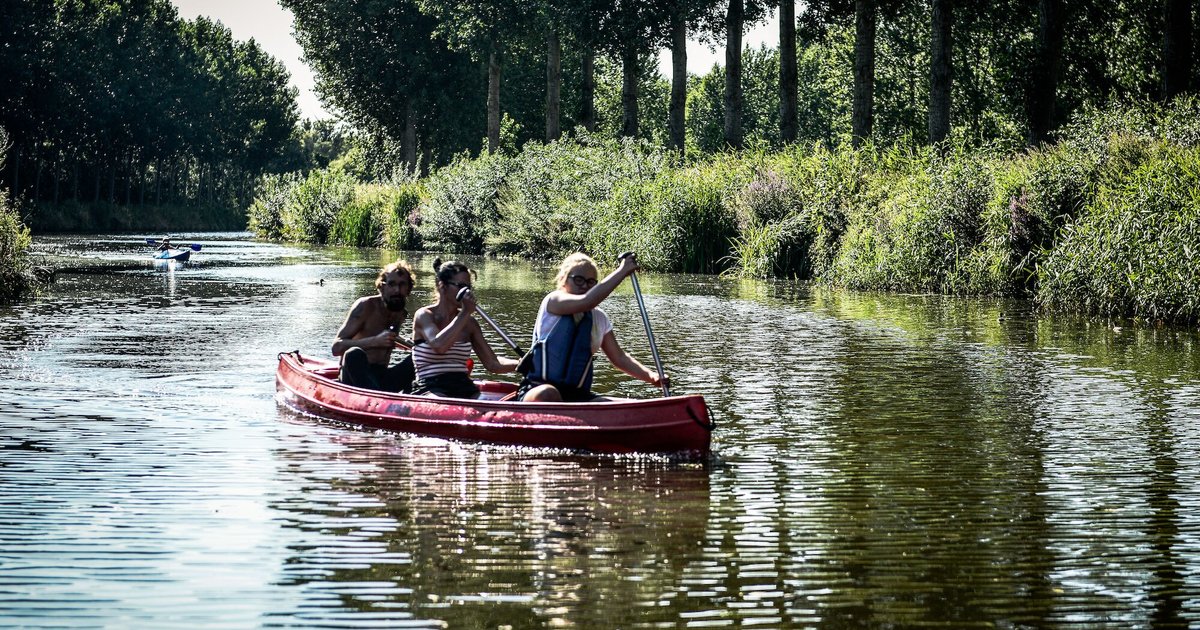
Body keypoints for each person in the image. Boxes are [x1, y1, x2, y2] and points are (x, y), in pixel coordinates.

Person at [517, 252, 666, 402]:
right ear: (563, 279)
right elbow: (587, 301)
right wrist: (622, 271)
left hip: (578, 397)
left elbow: (619, 358)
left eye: (590, 282)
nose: (584, 286)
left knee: (630, 405)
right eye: (579, 280)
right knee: (548, 393)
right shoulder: (553, 301)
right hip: (537, 390)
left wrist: (652, 377)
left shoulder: (599, 318)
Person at [410, 259, 519, 398]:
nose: (467, 292)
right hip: (431, 386)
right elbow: (439, 345)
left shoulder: (470, 324)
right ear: (441, 286)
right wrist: (465, 312)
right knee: (443, 404)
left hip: (463, 386)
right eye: (461, 286)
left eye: (468, 287)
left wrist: (521, 364)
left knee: (486, 408)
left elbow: (493, 363)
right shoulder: (424, 315)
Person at [332, 259, 416, 392]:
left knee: (418, 356)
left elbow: (388, 340)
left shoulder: (401, 312)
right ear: (382, 287)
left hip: (381, 378)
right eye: (392, 284)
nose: (397, 290)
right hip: (353, 378)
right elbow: (336, 347)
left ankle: (409, 402)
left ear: (408, 289)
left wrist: (413, 346)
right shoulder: (365, 306)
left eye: (402, 285)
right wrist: (374, 341)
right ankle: (376, 398)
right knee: (353, 354)